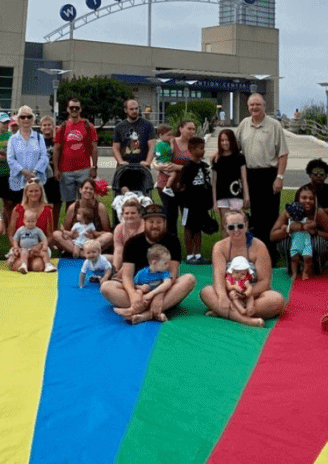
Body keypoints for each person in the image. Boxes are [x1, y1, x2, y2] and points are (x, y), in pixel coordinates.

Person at [104, 204, 198, 323]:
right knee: (106, 287)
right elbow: (127, 276)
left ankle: (145, 314)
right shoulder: (132, 243)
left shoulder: (173, 241)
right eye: (151, 222)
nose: (155, 226)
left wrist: (159, 295)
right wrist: (133, 294)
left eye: (159, 222)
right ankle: (155, 308)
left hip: (164, 288)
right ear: (144, 223)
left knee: (189, 279)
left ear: (165, 223)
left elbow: (172, 274)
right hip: (140, 289)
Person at [199, 209, 286, 327]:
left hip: (253, 294)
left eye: (240, 226)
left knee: (277, 300)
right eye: (231, 227)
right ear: (225, 228)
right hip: (229, 292)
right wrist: (223, 297)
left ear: (246, 225)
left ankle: (225, 312)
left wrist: (244, 295)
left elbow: (264, 282)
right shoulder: (220, 247)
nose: (236, 230)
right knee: (206, 292)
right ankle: (245, 319)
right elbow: (218, 278)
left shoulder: (259, 246)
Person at [236, 93, 289, 252]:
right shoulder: (244, 124)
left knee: (270, 215)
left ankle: (270, 252)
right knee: (255, 215)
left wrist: (279, 177)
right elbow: (234, 147)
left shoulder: (274, 125)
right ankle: (256, 251)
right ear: (248, 107)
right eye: (251, 105)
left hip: (269, 175)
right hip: (250, 176)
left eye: (258, 104)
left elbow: (283, 154)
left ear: (264, 106)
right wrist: (218, 153)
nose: (254, 107)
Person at [178, 136, 217, 264]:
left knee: (198, 227)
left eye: (203, 148)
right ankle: (189, 255)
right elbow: (182, 185)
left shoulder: (202, 165)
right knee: (189, 227)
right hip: (189, 203)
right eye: (200, 148)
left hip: (200, 203)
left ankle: (198, 254)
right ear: (191, 149)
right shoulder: (188, 167)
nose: (203, 151)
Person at [55, 98, 99, 200]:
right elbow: (56, 149)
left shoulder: (88, 126)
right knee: (69, 202)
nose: (74, 109)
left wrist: (94, 167)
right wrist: (56, 169)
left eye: (77, 108)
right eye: (71, 107)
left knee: (85, 200)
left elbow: (94, 148)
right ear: (67, 109)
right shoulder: (62, 127)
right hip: (66, 171)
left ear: (80, 109)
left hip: (84, 170)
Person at [6, 106, 50, 206]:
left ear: (33, 119)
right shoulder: (13, 139)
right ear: (18, 120)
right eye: (22, 117)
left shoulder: (39, 137)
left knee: (37, 209)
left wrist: (33, 172)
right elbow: (10, 159)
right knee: (19, 209)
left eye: (29, 117)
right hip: (18, 181)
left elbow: (44, 157)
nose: (26, 119)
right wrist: (24, 172)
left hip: (36, 180)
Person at [117, 244, 175, 321]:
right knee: (138, 292)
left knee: (155, 296)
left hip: (157, 297)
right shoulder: (142, 273)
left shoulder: (164, 273)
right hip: (144, 298)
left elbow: (167, 283)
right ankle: (144, 313)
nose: (168, 266)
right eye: (165, 263)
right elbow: (134, 284)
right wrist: (140, 287)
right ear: (154, 263)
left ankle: (133, 312)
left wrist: (152, 294)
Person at [9, 179, 56, 273]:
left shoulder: (47, 210)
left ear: (41, 192)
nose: (34, 194)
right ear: (26, 192)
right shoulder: (17, 209)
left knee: (37, 267)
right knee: (17, 265)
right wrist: (16, 248)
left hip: (38, 249)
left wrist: (40, 245)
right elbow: (11, 234)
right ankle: (25, 263)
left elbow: (50, 235)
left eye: (36, 191)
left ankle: (35, 263)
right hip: (22, 248)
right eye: (31, 191)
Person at [111, 98, 157, 194]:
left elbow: (152, 146)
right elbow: (115, 148)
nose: (135, 111)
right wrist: (120, 161)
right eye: (131, 109)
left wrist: (147, 162)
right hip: (124, 170)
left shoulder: (148, 125)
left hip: (142, 169)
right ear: (125, 110)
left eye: (136, 108)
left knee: (144, 195)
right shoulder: (119, 127)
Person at [212, 128, 248, 214]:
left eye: (227, 140)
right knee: (225, 220)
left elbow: (244, 178)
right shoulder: (216, 159)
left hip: (236, 194)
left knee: (237, 219)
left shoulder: (240, 157)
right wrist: (214, 201)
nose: (224, 143)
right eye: (222, 140)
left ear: (232, 140)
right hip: (221, 196)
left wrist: (246, 196)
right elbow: (214, 182)